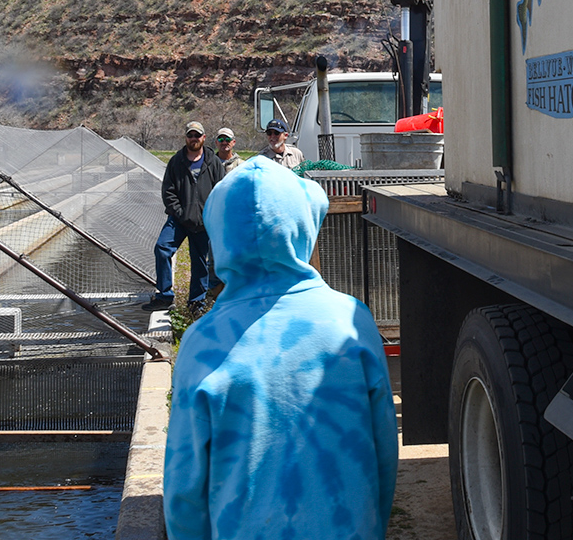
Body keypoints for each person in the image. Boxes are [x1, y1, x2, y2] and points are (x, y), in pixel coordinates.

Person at [163, 157, 397, 540]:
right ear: (302, 226)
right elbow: (384, 450)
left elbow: (184, 490)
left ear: (220, 235)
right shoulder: (352, 321)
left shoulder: (202, 343)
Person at [147, 121, 225, 311]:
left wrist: (211, 214)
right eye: (190, 135)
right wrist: (180, 213)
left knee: (200, 263)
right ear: (186, 138)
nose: (194, 139)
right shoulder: (176, 161)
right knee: (162, 249)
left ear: (204, 138)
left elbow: (221, 190)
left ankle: (196, 303)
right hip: (179, 220)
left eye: (197, 136)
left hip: (203, 222)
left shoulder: (213, 162)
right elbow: (168, 191)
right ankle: (164, 296)